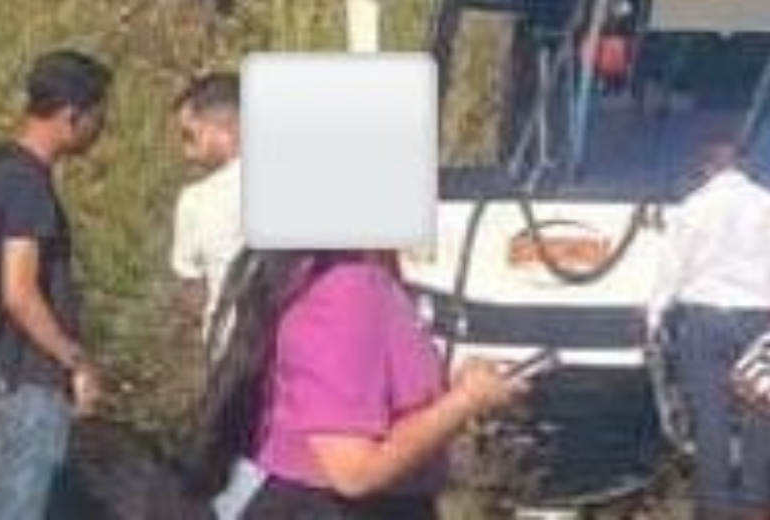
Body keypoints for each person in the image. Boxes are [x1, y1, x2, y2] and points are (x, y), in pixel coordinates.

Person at [186, 250, 528, 518]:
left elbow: (373, 400)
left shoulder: (351, 281)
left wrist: (454, 391)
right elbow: (353, 470)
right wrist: (464, 402)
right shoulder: (347, 291)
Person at [648, 133, 770, 520]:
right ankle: (755, 504)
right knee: (758, 418)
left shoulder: (690, 208)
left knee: (710, 419)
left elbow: (670, 272)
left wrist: (653, 318)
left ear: (706, 167)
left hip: (703, 320)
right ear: (744, 164)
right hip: (758, 320)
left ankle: (714, 506)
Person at [0, 49, 112, 520]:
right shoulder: (28, 183)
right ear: (71, 116)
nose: (101, 129)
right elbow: (19, 292)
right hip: (25, 377)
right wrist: (74, 360)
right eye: (99, 116)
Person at [169, 70, 243, 341]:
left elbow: (193, 291)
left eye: (190, 136)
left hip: (231, 346)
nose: (187, 152)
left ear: (225, 127)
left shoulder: (197, 200)